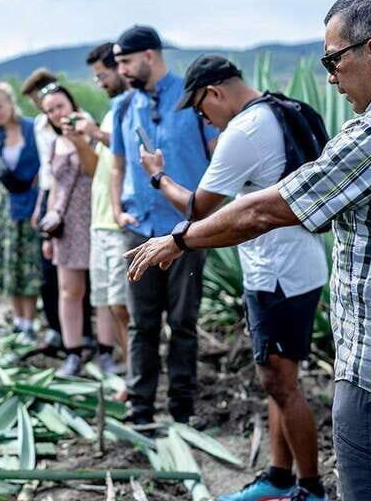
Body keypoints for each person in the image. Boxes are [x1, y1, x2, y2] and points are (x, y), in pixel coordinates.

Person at [125, 0, 371, 501]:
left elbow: (261, 209)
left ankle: (299, 484)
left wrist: (179, 241)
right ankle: (284, 479)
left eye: (333, 58)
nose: (329, 76)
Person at [139, 55, 329, 501]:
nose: (205, 120)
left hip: (277, 276)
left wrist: (157, 177)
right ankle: (280, 479)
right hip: (299, 266)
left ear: (215, 93)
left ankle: (311, 489)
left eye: (202, 110)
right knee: (278, 380)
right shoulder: (282, 109)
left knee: (280, 383)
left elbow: (197, 209)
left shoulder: (244, 130)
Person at [110, 25, 218, 425]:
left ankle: (181, 409)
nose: (120, 69)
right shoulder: (123, 106)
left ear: (149, 57)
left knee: (183, 323)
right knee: (142, 325)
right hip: (139, 229)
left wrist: (204, 214)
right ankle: (140, 408)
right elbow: (117, 166)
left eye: (125, 62)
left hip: (186, 232)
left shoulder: (191, 100)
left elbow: (216, 156)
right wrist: (118, 212)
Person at [67, 42, 132, 377]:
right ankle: (126, 366)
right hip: (100, 222)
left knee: (124, 306)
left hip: (120, 226)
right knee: (110, 303)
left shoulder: (130, 108)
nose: (100, 83)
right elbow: (97, 169)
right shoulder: (111, 112)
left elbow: (130, 154)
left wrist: (95, 133)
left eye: (102, 75)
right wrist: (82, 140)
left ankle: (135, 372)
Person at [20, 69, 94, 352]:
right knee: (55, 277)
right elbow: (47, 171)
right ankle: (62, 334)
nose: (46, 109)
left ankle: (90, 336)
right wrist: (43, 207)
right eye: (43, 105)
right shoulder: (43, 128)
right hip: (55, 198)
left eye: (54, 104)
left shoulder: (85, 125)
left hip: (82, 203)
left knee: (87, 281)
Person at [39, 83, 95, 376]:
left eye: (59, 106)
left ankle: (108, 351)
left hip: (93, 217)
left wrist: (81, 141)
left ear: (71, 103)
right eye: (49, 111)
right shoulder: (53, 143)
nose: (56, 114)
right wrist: (48, 229)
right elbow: (53, 188)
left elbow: (96, 170)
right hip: (65, 224)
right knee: (69, 291)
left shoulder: (91, 131)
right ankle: (73, 352)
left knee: (101, 293)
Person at [0, 83, 41, 343]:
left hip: (28, 199)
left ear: (10, 103)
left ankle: (30, 322)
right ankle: (17, 321)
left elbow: (45, 156)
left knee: (28, 264)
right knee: (9, 263)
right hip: (2, 203)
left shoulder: (32, 127)